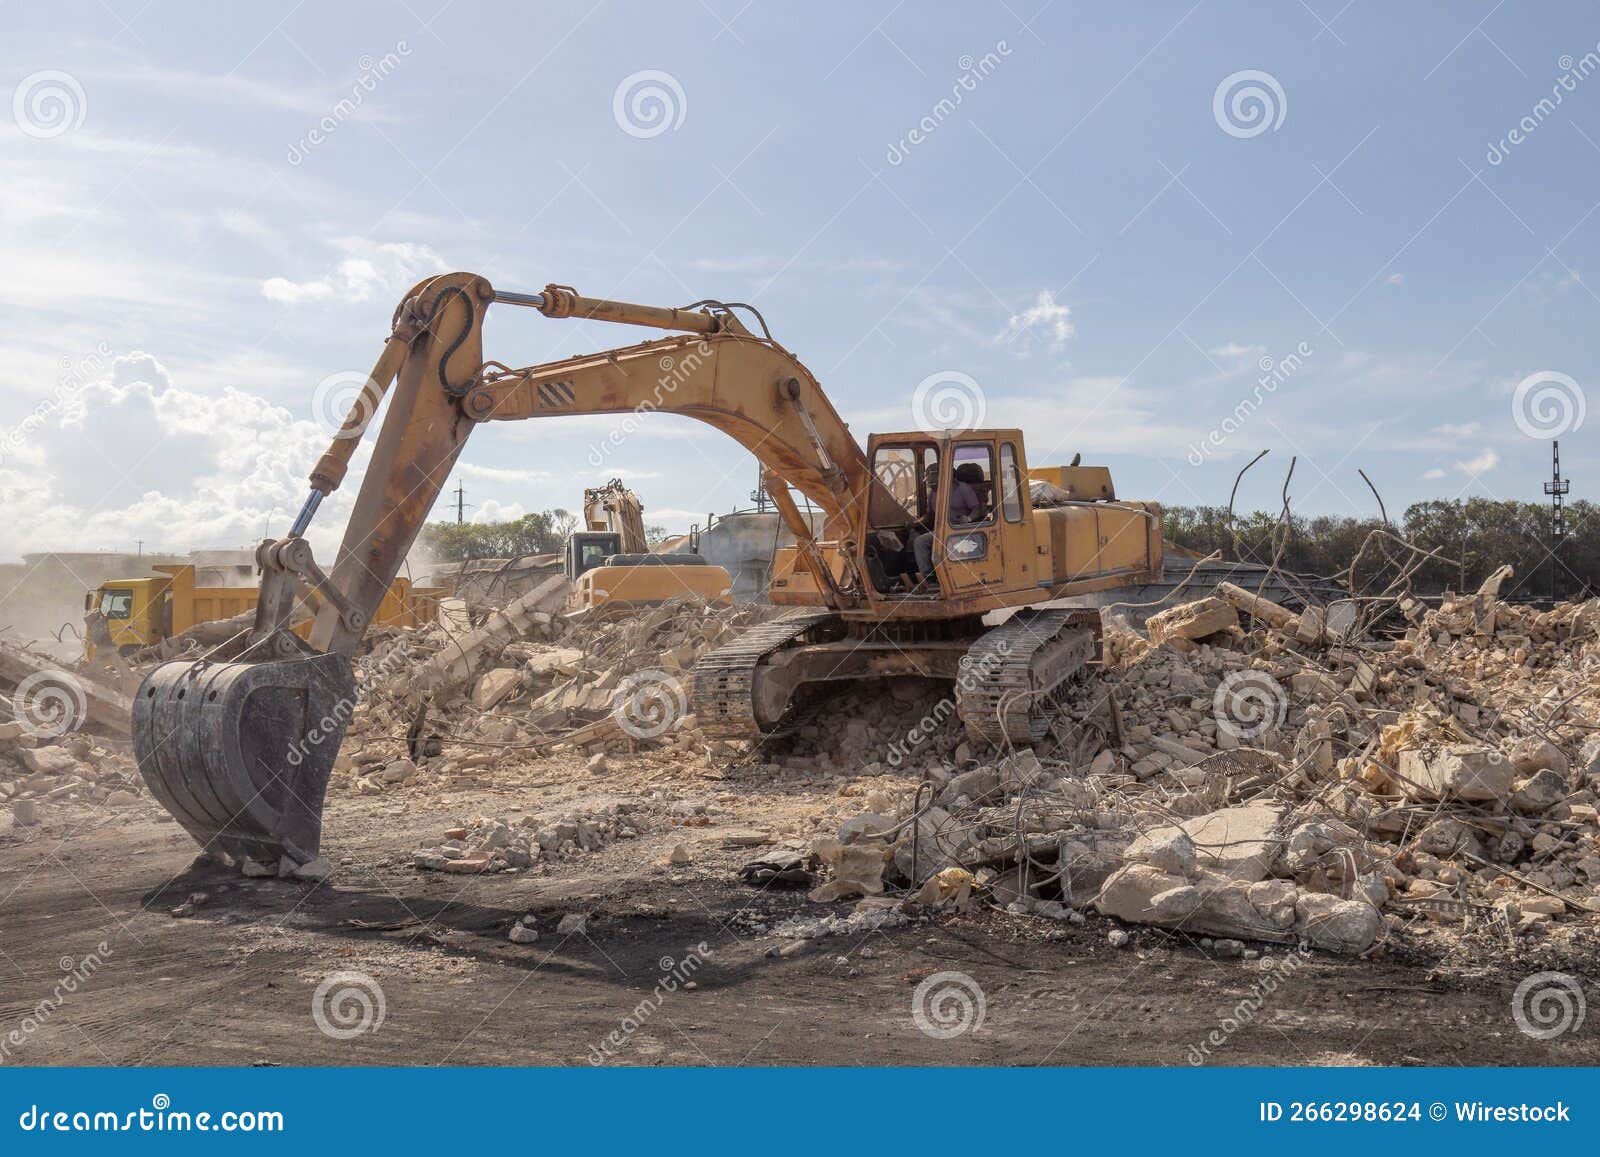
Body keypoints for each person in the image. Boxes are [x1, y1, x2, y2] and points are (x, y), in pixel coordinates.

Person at [912, 468, 981, 584]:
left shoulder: (963, 489)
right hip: (942, 531)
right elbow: (929, 515)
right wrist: (914, 523)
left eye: (934, 482)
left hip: (961, 530)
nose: (932, 486)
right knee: (920, 542)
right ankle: (930, 580)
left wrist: (968, 519)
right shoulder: (933, 493)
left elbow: (978, 509)